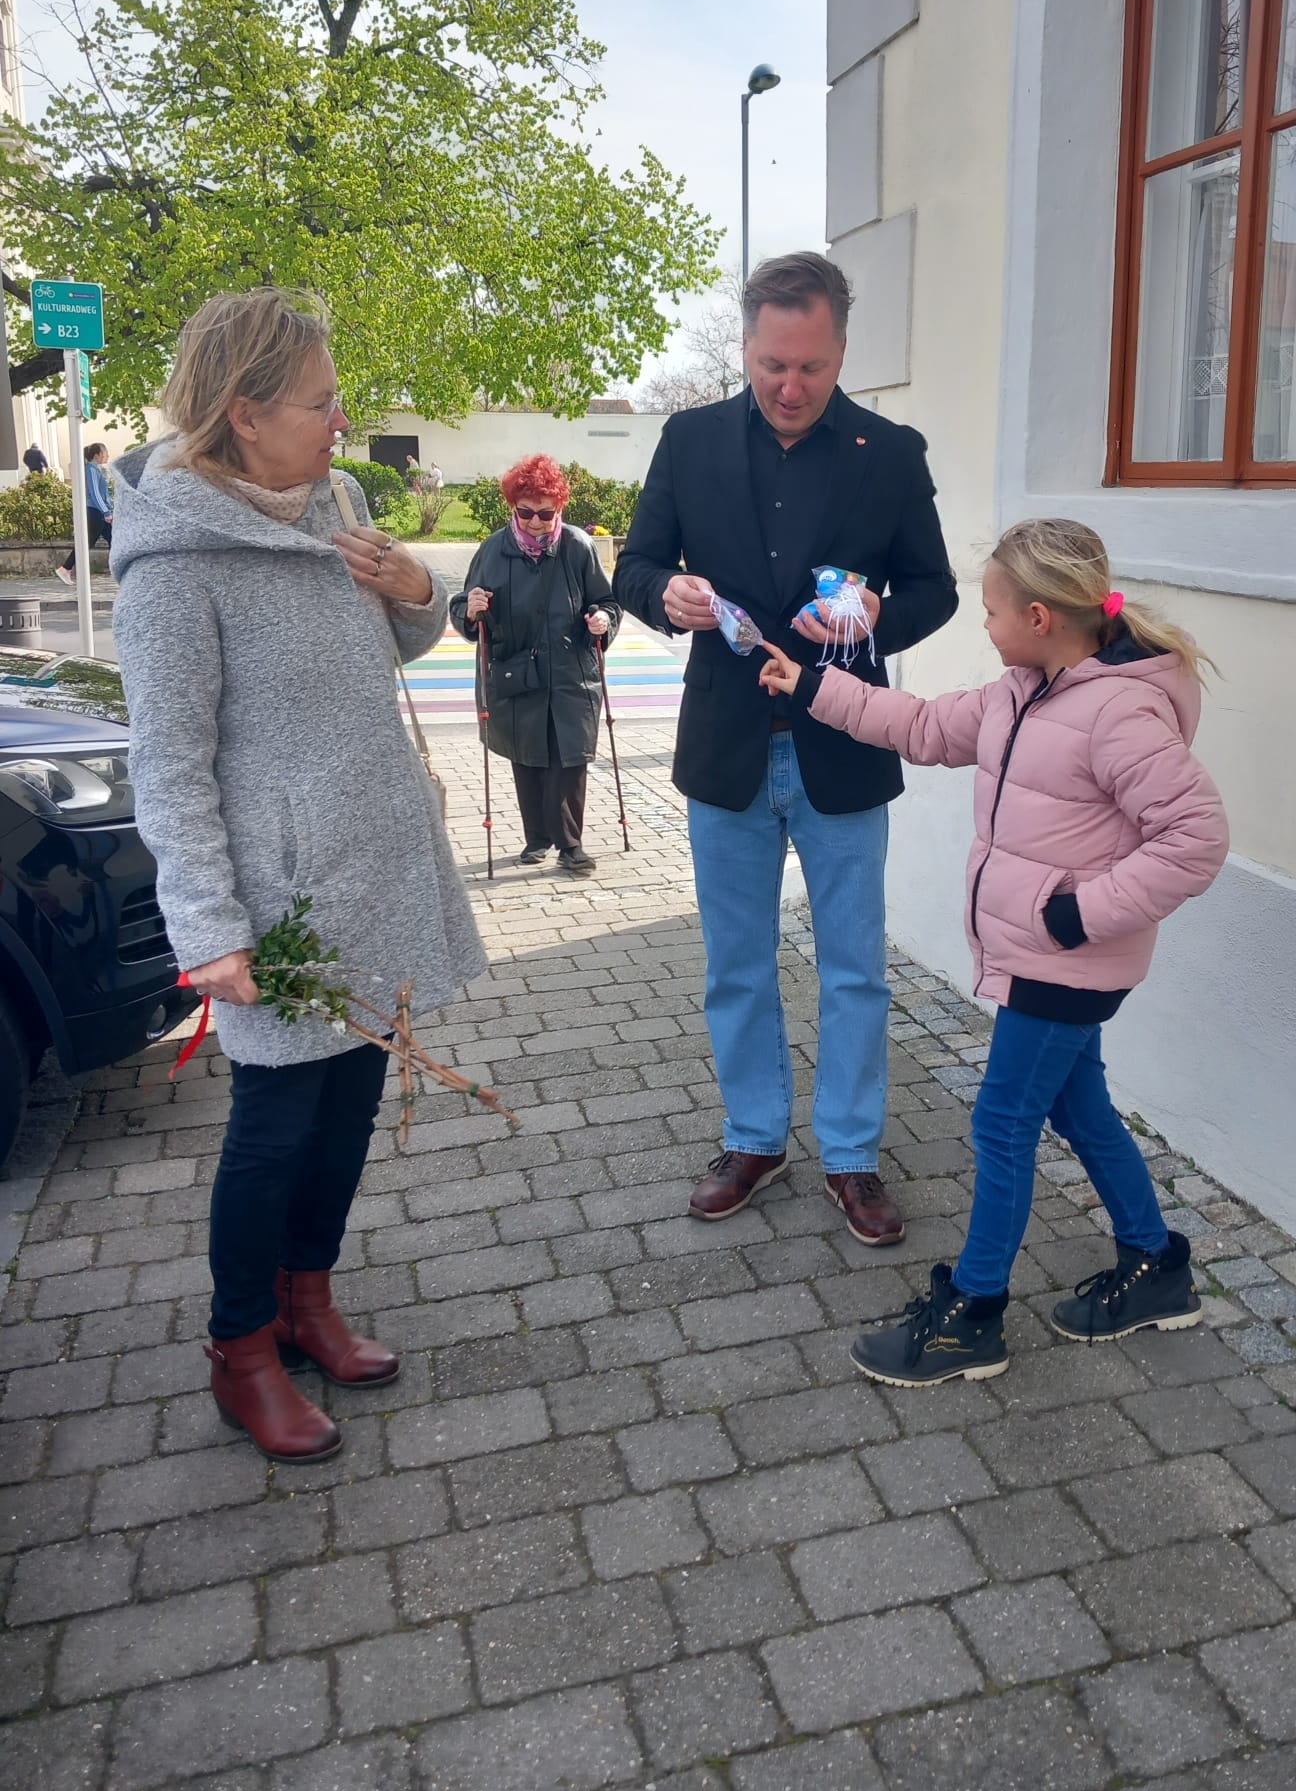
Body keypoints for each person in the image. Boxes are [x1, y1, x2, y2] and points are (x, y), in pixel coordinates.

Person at [110, 287, 486, 1463]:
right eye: (321, 403)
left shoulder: (339, 499)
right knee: (274, 1124)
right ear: (245, 411)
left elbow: (401, 641)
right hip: (279, 900)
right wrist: (208, 926)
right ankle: (241, 1348)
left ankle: (307, 1299)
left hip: (377, 857)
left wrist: (413, 589)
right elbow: (166, 764)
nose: (341, 422)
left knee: (354, 1099)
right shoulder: (175, 559)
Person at [758, 518, 1230, 1386]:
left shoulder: (1117, 712)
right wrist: (811, 684)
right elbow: (926, 726)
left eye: (993, 609)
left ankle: (973, 1316)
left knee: (1002, 1120)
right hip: (1051, 955)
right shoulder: (1026, 689)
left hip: (1067, 956)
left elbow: (1195, 839)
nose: (985, 624)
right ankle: (1156, 1265)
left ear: (1043, 616)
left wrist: (1077, 913)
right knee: (1078, 1107)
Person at [613, 253, 958, 1246]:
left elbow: (932, 588)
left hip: (841, 741)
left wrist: (876, 611)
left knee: (854, 966)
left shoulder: (889, 452)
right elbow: (635, 564)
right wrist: (661, 596)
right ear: (747, 347)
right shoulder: (688, 440)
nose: (790, 387)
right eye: (771, 365)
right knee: (737, 963)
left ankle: (851, 1156)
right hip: (725, 743)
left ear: (841, 349)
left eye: (809, 366)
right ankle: (756, 1138)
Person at [449, 454, 619, 875]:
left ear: (559, 508)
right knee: (527, 759)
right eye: (526, 513)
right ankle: (537, 839)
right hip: (516, 672)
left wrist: (603, 619)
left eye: (546, 513)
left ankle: (570, 844)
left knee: (569, 759)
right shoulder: (493, 551)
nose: (536, 522)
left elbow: (608, 601)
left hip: (570, 673)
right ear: (513, 508)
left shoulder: (578, 547)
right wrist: (470, 611)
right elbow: (461, 608)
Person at [56, 440, 112, 584]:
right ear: (98, 455)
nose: (107, 456)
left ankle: (118, 570)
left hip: (99, 511)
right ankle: (65, 568)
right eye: (105, 454)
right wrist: (106, 511)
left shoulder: (97, 469)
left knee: (114, 539)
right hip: (95, 512)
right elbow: (95, 494)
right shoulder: (91, 470)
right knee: (87, 542)